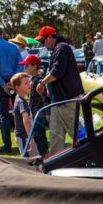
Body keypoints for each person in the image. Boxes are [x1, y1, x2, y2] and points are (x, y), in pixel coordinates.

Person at [35, 25, 84, 154]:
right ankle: (56, 161)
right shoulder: (58, 49)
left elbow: (57, 72)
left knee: (78, 133)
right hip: (58, 101)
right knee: (55, 134)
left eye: (42, 41)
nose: (42, 45)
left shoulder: (62, 48)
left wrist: (42, 82)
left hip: (67, 100)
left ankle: (90, 155)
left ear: (50, 38)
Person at [0, 24, 22, 153]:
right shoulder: (14, 47)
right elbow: (20, 65)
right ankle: (24, 141)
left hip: (2, 83)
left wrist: (3, 85)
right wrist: (13, 82)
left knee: (4, 116)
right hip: (14, 81)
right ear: (3, 33)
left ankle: (7, 145)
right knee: (20, 112)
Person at [21, 53, 49, 156]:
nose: (25, 67)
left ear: (34, 66)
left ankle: (45, 157)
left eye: (27, 65)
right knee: (38, 136)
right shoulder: (33, 79)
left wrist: (47, 113)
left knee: (39, 136)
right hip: (34, 112)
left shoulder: (39, 80)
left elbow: (44, 97)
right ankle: (43, 155)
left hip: (39, 113)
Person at [10, 72, 37, 156]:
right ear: (17, 87)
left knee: (35, 158)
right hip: (24, 137)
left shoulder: (21, 99)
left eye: (29, 82)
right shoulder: (21, 102)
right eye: (25, 83)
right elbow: (26, 121)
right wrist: (30, 140)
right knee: (29, 162)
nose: (29, 84)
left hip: (26, 136)